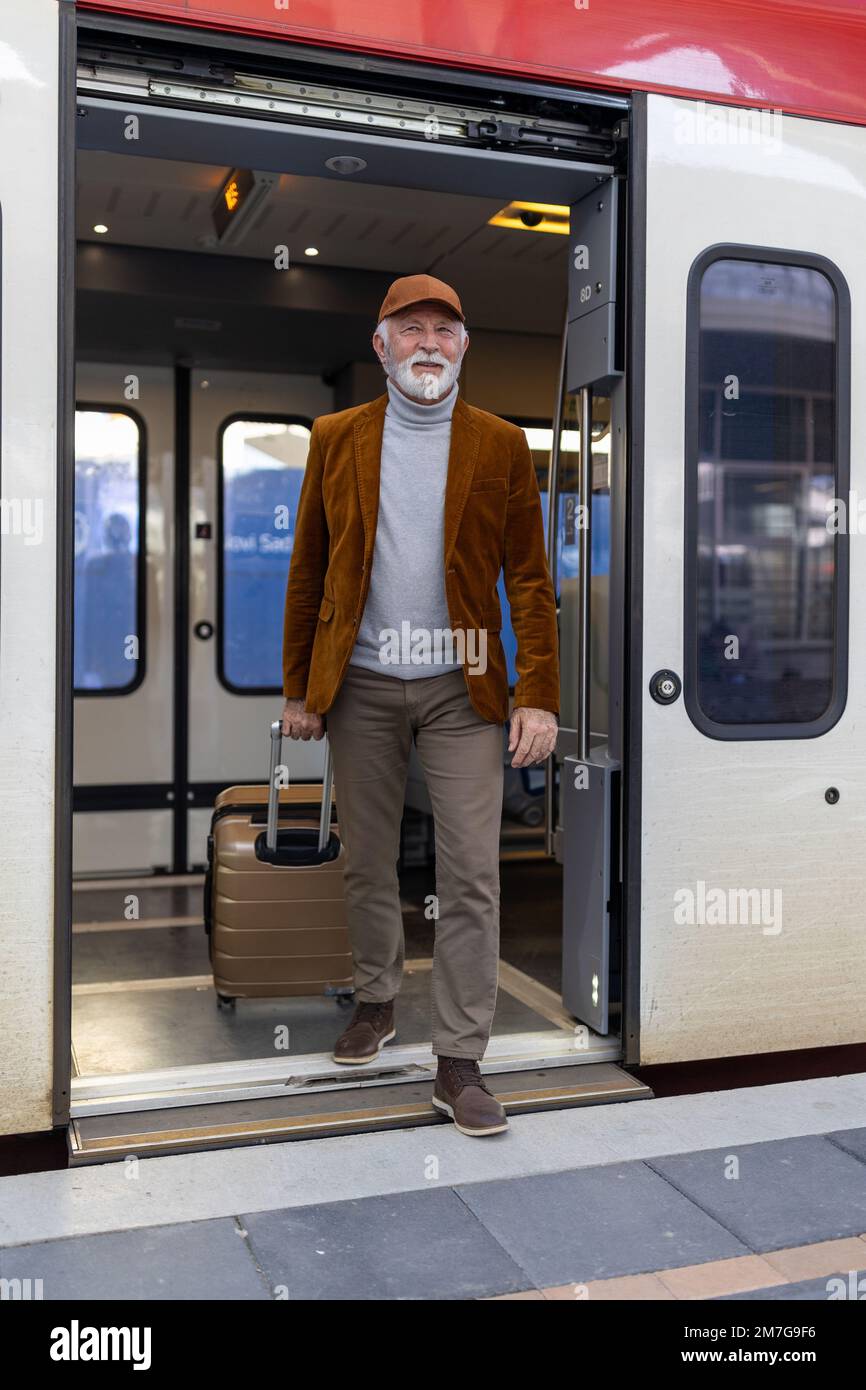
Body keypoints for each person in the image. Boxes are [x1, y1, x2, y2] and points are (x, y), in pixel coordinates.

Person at [281, 274, 559, 1137]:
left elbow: (530, 580)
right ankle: (375, 1000)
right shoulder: (335, 437)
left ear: (463, 347)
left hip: (463, 680)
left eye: (444, 330)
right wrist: (300, 688)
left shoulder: (501, 443)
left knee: (470, 870)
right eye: (412, 330)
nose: (429, 343)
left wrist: (538, 697)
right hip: (359, 678)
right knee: (367, 860)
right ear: (382, 345)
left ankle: (459, 1059)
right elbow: (308, 568)